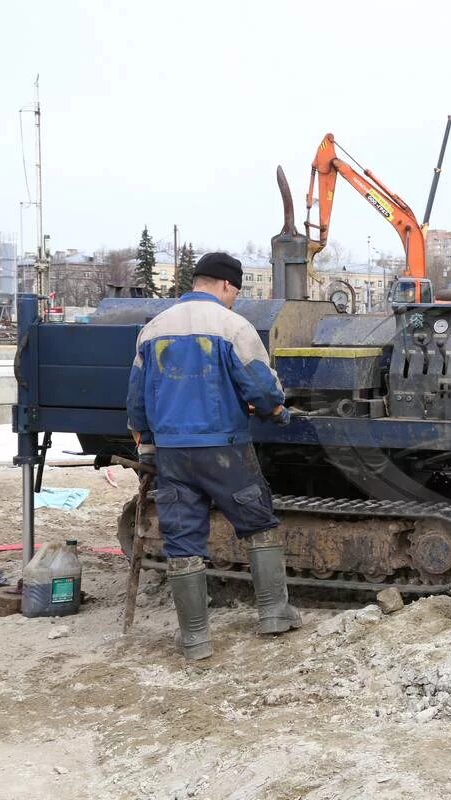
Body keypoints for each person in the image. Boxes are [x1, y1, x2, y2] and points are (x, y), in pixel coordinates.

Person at [126, 252, 301, 660]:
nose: (234, 299)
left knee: (182, 539)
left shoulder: (153, 329)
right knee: (257, 522)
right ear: (225, 285)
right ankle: (274, 613)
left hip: (172, 454)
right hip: (225, 450)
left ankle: (195, 639)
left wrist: (148, 444)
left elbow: (136, 402)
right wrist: (277, 411)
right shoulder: (232, 326)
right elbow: (261, 387)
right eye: (235, 292)